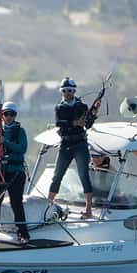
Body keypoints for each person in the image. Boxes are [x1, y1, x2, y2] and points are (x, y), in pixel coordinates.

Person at [0, 101, 30, 243]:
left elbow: (22, 148)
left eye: (11, 114)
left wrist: (6, 142)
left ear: (15, 116)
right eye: (6, 114)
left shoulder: (20, 131)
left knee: (16, 203)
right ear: (2, 116)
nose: (8, 117)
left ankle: (23, 234)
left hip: (15, 173)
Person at [46, 78, 94, 218]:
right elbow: (59, 123)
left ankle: (88, 210)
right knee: (57, 176)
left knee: (84, 175)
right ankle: (48, 205)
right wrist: (74, 122)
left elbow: (88, 125)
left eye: (70, 91)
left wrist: (92, 116)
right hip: (65, 144)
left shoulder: (82, 106)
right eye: (65, 91)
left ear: (74, 91)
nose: (67, 93)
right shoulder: (59, 107)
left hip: (80, 144)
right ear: (61, 92)